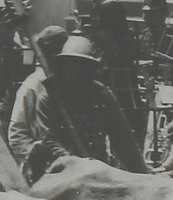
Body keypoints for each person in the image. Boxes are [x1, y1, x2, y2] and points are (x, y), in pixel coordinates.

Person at [8, 29, 135, 171]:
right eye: (70, 64)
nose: (75, 70)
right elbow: (50, 141)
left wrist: (141, 172)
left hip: (98, 167)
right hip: (60, 168)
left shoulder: (103, 95)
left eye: (81, 65)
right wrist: (76, 166)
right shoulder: (49, 96)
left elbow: (123, 140)